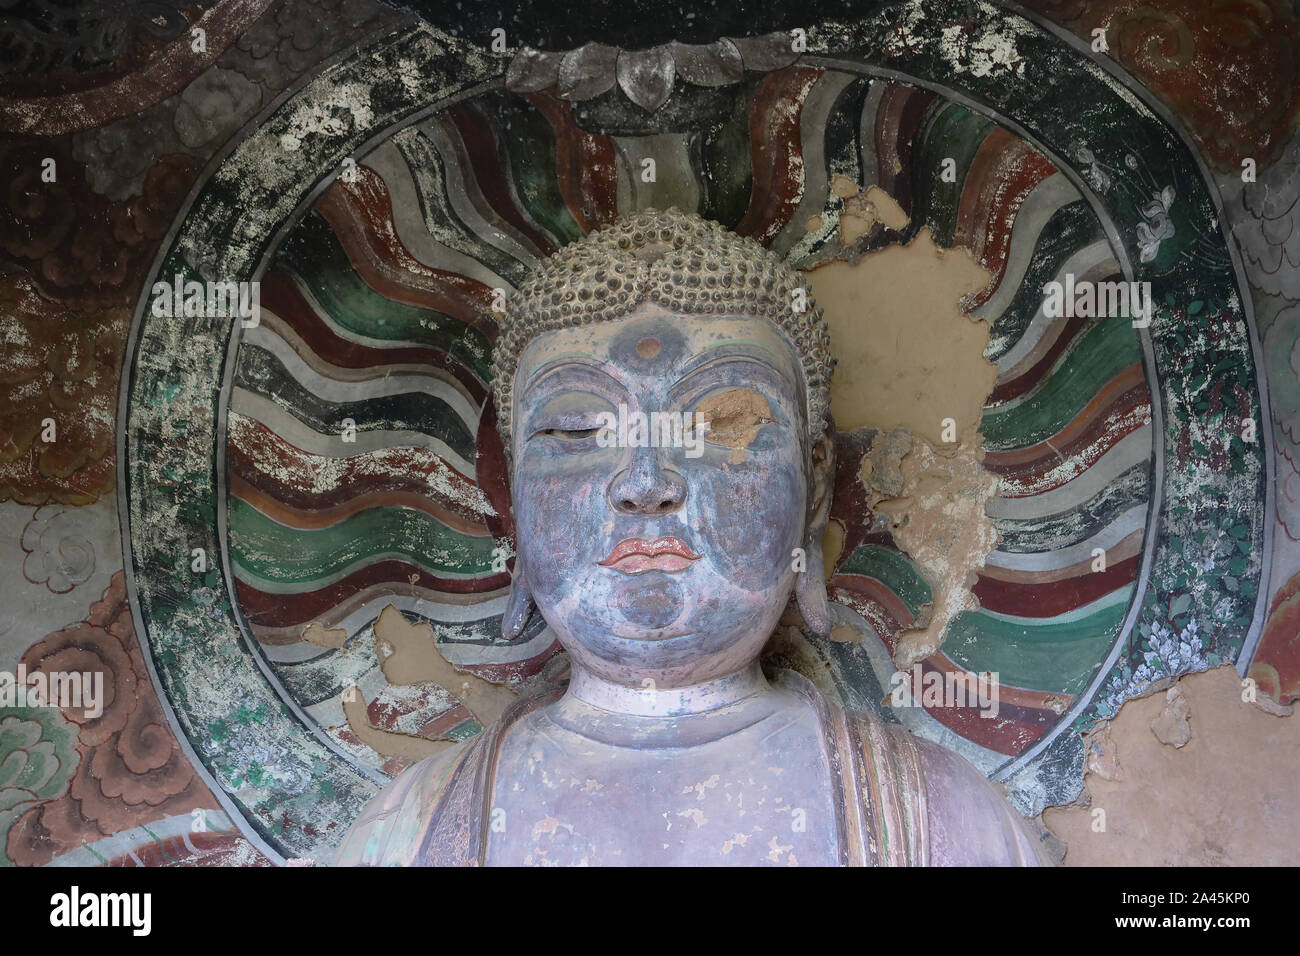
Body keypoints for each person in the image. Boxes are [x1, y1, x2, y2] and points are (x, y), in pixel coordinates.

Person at [332, 208, 1046, 866]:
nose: (645, 481)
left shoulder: (942, 823)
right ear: (516, 500)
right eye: (576, 431)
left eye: (723, 424)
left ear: (815, 487)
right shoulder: (407, 832)